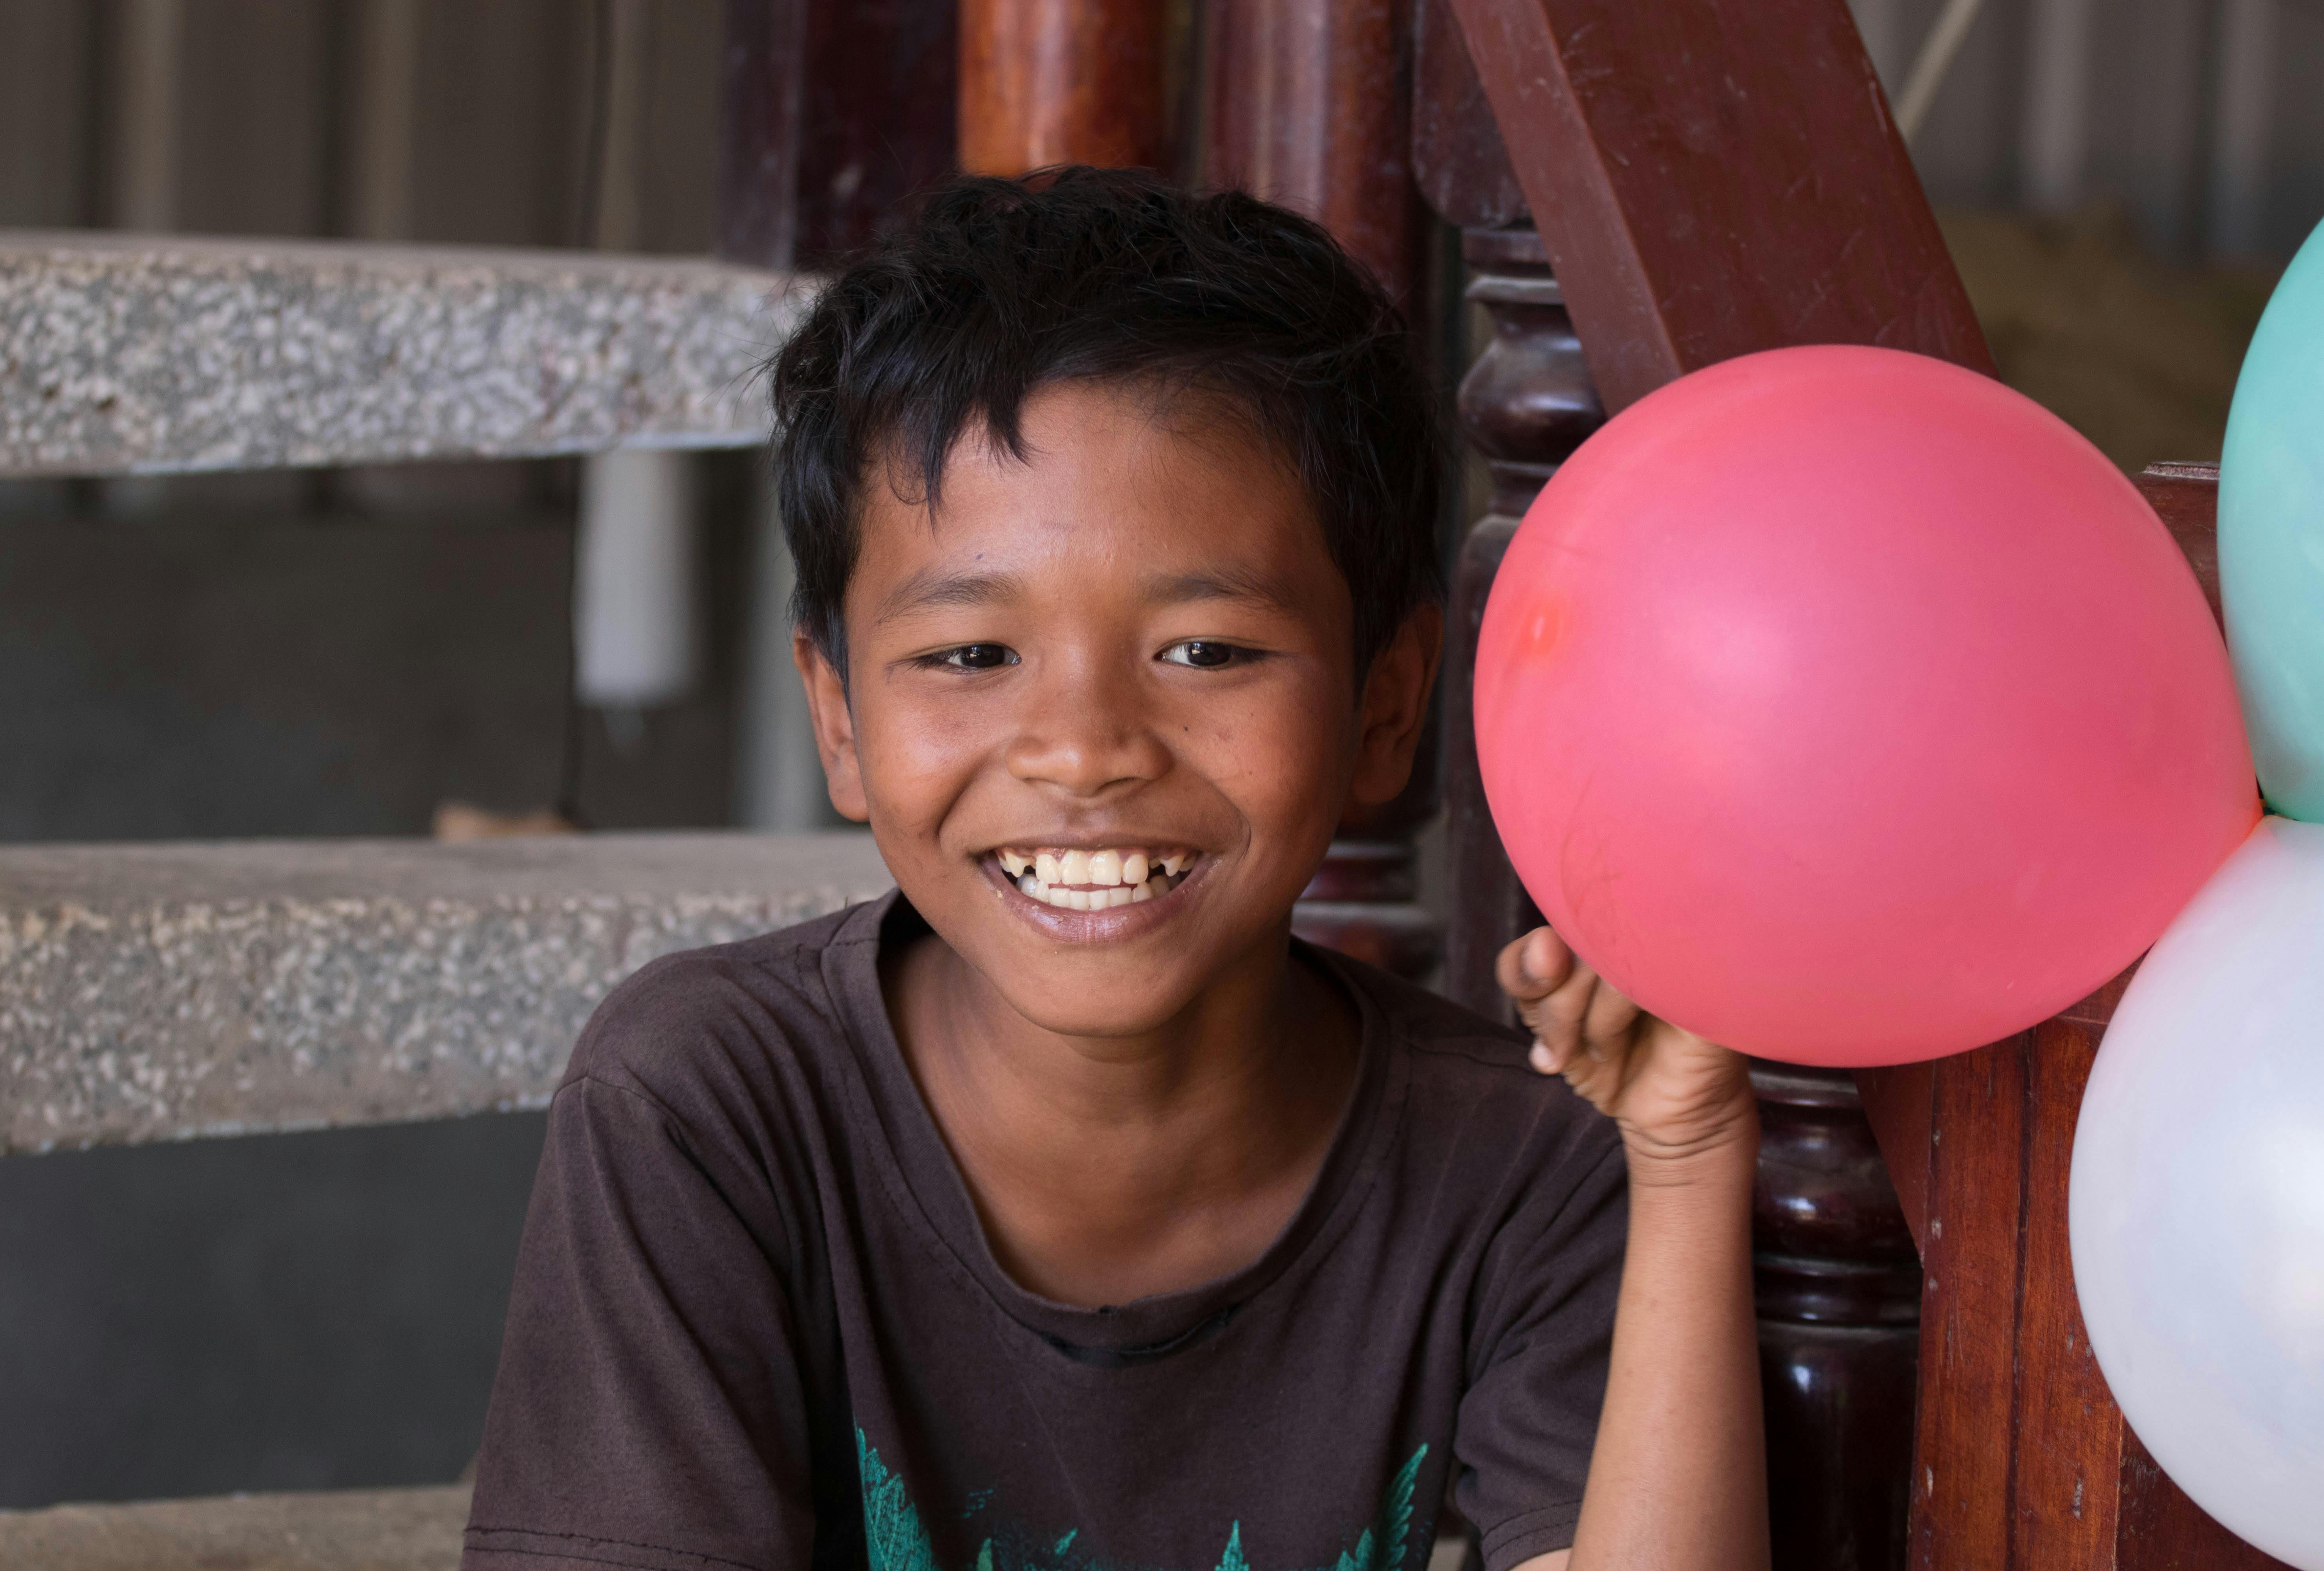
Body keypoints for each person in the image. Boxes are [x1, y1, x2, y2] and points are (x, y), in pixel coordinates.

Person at [462, 168, 1766, 1571]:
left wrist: (1689, 1168)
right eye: (972, 655)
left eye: (1205, 650)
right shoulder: (712, 1102)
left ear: (1387, 707)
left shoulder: (1519, 1168)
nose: (1082, 752)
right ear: (839, 719)